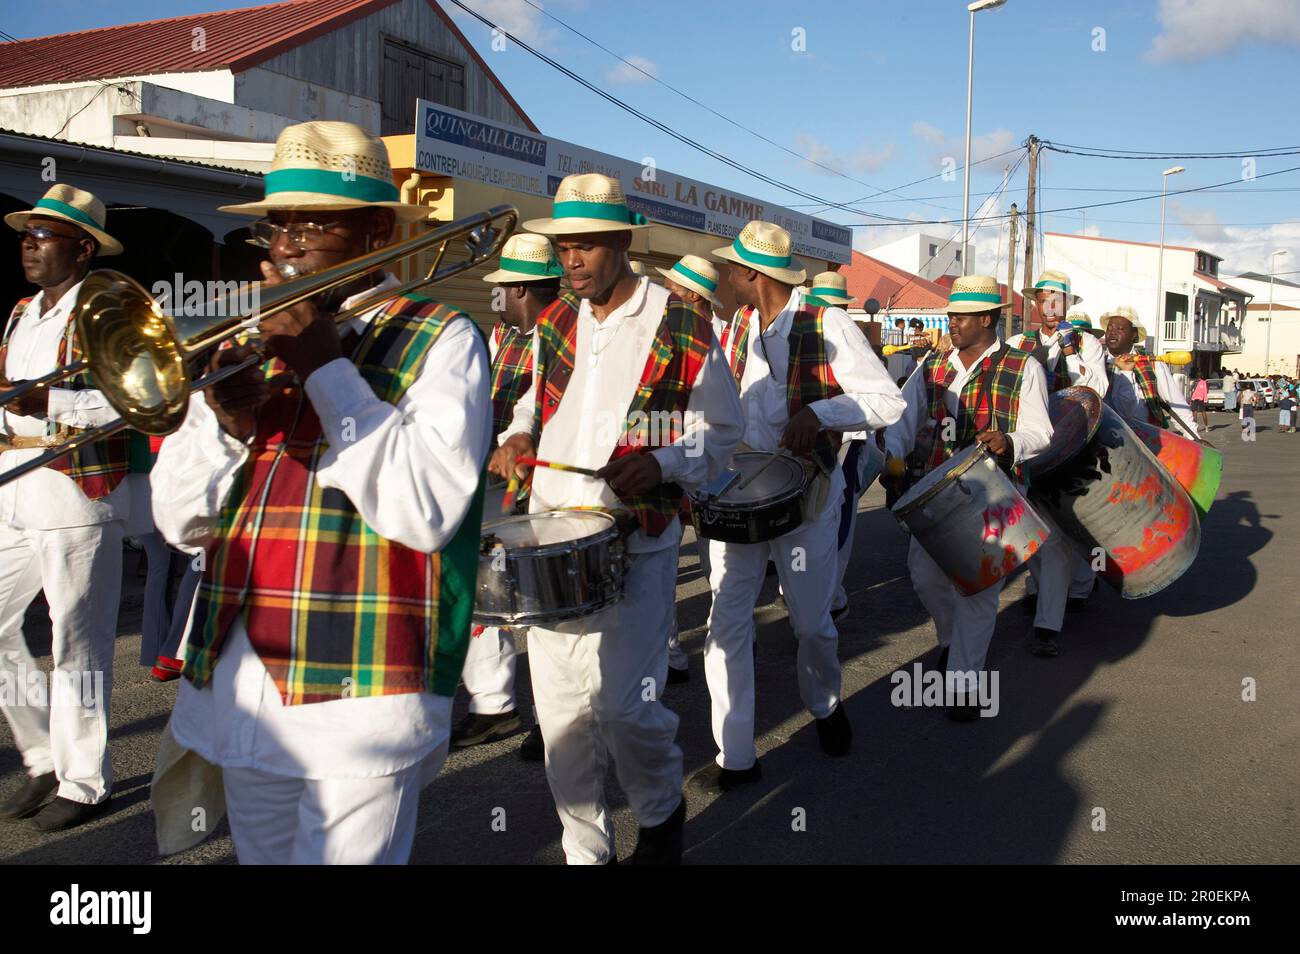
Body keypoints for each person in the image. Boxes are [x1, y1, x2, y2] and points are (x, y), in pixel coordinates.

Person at [150, 121, 491, 864]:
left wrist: (324, 371)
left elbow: (425, 508)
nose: (287, 244)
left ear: (375, 230)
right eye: (277, 224)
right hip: (244, 687)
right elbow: (181, 523)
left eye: (315, 222)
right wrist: (230, 420)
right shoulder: (243, 341)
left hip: (360, 692)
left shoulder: (443, 335)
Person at [493, 173, 745, 865]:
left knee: (627, 710)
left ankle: (662, 816)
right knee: (563, 716)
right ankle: (586, 853)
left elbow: (724, 429)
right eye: (564, 245)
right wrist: (517, 435)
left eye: (586, 245)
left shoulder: (681, 320)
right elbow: (533, 406)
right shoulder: (554, 322)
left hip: (633, 540)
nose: (570, 259)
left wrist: (663, 465)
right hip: (549, 538)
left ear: (621, 241)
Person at [696, 223, 903, 793]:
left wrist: (822, 414)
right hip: (741, 498)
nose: (727, 277)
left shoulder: (826, 321)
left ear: (753, 275)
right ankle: (735, 753)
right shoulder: (737, 325)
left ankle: (824, 703)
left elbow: (888, 400)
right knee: (726, 619)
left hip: (806, 497)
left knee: (810, 623)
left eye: (733, 270)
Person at [0, 184, 131, 831]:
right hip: (15, 485)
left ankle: (84, 781)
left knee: (76, 641)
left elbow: (135, 402)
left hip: (77, 491)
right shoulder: (21, 311)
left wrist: (47, 406)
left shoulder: (105, 308)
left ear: (81, 249)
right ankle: (42, 755)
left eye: (45, 234)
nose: (29, 242)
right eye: (27, 231)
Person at [882, 276, 1052, 720]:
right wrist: (894, 455)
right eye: (952, 315)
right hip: (936, 490)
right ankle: (950, 642)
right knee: (925, 577)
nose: (952, 323)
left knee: (977, 589)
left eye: (960, 317)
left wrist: (1012, 440)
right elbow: (905, 415)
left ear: (987, 319)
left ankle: (963, 684)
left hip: (994, 493)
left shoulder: (1023, 366)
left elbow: (1042, 431)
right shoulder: (934, 364)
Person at [453, 234, 572, 760]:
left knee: (550, 607)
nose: (497, 297)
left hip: (545, 483)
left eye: (503, 288)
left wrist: (522, 444)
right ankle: (494, 705)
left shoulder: (568, 330)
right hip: (496, 483)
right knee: (487, 594)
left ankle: (560, 715)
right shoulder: (508, 331)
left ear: (520, 287)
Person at [1007, 272, 1107, 658]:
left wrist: (1069, 351)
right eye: (1044, 299)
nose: (1050, 306)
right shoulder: (1018, 343)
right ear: (1036, 305)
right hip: (1030, 448)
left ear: (1067, 305)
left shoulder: (1088, 344)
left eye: (1057, 299)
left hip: (1071, 450)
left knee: (1058, 540)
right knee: (1030, 536)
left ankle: (1049, 624)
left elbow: (1096, 389)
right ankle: (1042, 591)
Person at [1100, 306, 1199, 439]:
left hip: (1148, 442)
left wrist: (1194, 438)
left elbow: (1176, 404)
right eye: (1109, 328)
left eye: (1120, 329)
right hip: (1108, 441)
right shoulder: (1099, 364)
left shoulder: (1153, 363)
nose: (1112, 333)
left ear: (1133, 335)